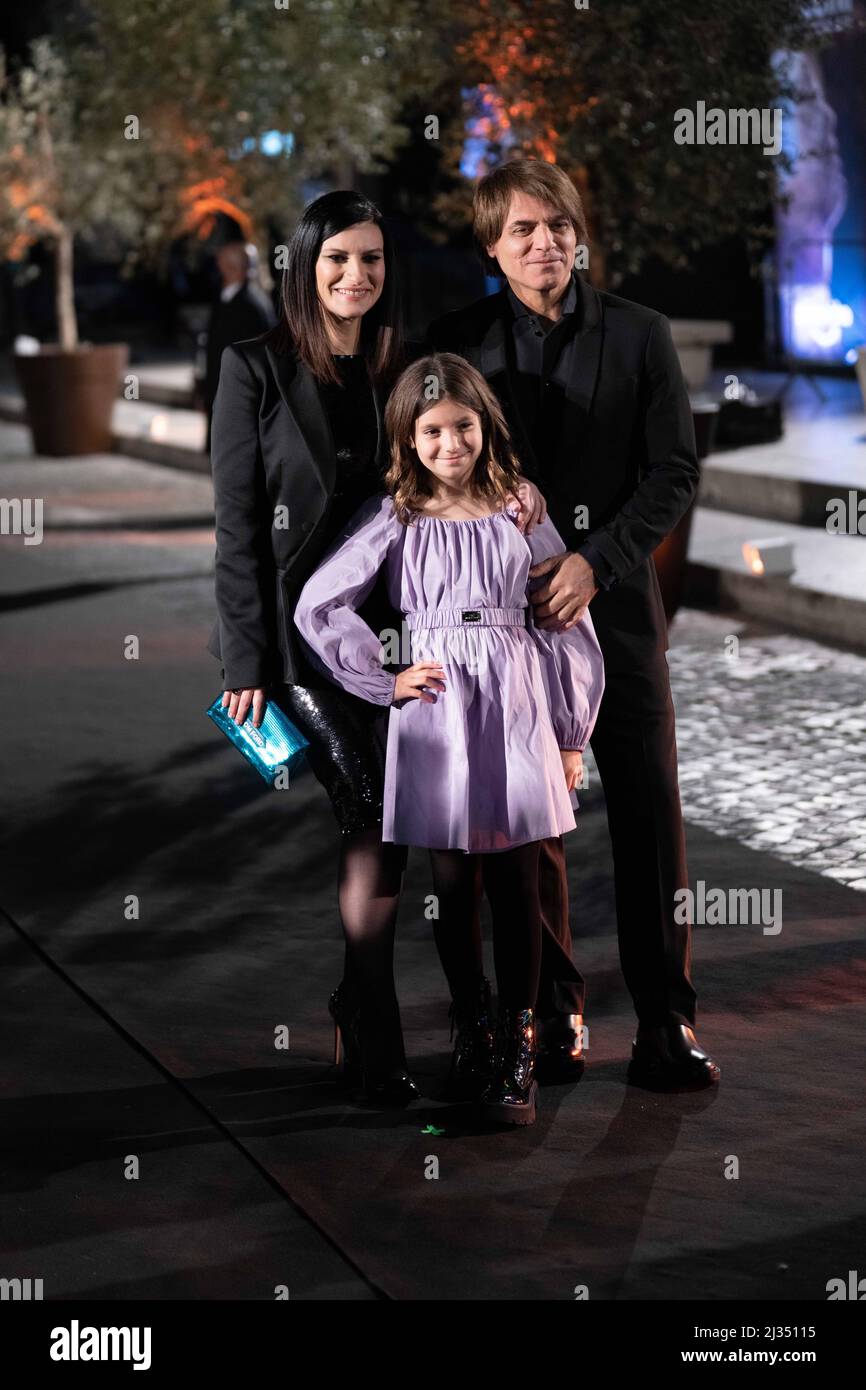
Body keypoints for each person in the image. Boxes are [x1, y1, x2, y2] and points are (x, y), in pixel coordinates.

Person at [206, 192, 545, 1108]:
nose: (356, 277)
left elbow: (458, 458)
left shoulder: (405, 362)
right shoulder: (256, 369)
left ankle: (452, 1024)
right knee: (369, 815)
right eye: (336, 261)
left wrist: (524, 500)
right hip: (301, 640)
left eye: (372, 260)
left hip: (415, 636)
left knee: (425, 831)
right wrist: (245, 664)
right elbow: (237, 527)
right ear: (305, 267)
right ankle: (373, 1018)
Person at [428, 158, 720, 1090]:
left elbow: (674, 471)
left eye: (557, 225)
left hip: (618, 611)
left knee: (648, 815)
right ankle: (555, 1014)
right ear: (491, 247)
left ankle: (666, 1023)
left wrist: (598, 563)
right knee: (529, 827)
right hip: (505, 627)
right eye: (522, 230)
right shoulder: (459, 345)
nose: (545, 242)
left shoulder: (641, 334)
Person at [293, 353, 605, 1126]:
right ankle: (472, 1028)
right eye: (431, 431)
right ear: (408, 437)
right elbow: (320, 605)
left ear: (484, 425)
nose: (450, 444)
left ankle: (516, 1047)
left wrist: (571, 734)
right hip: (437, 709)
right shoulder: (397, 515)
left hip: (517, 700)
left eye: (463, 426)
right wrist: (381, 677)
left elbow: (568, 619)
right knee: (456, 886)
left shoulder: (519, 507)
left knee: (516, 884)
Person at [200, 241, 277, 453]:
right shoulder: (225, 297)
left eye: (220, 263)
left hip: (240, 402)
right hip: (220, 394)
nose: (216, 267)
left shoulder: (252, 305)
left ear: (231, 267)